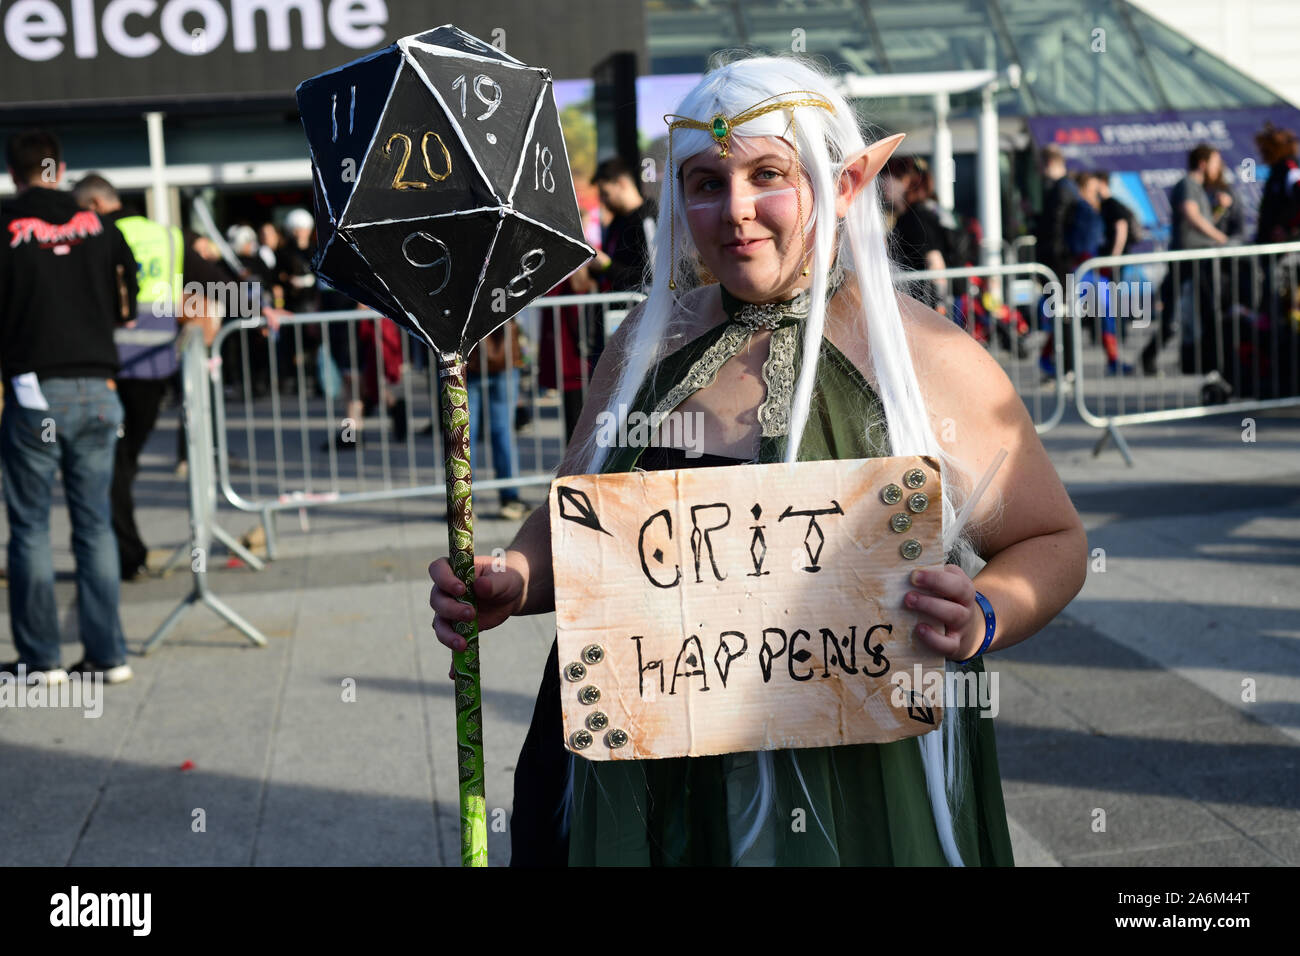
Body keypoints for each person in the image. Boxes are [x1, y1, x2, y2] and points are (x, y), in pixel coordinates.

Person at [428, 56, 1088, 866]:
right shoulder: (644, 344)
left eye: (768, 174)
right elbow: (580, 518)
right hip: (643, 767)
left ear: (842, 186)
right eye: (705, 182)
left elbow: (1053, 541)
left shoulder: (926, 355)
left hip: (852, 778)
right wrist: (519, 576)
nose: (735, 211)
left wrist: (983, 612)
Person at [0, 130, 138, 684]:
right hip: (100, 390)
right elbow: (127, 307)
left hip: (35, 391)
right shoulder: (101, 225)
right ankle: (110, 657)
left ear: (15, 175)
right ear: (62, 169)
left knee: (31, 529)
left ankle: (42, 661)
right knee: (95, 526)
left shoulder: (6, 225)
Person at [1140, 144, 1229, 377]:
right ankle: (1150, 356)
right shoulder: (1187, 185)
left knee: (1205, 310)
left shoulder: (1199, 188)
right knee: (1177, 313)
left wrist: (1219, 209)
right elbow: (1192, 216)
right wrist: (1219, 236)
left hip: (1198, 256)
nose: (1217, 168)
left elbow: (1204, 219)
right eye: (1214, 162)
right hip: (1188, 258)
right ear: (1203, 163)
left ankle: (1208, 362)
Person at [467, 321, 527, 520]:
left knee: (464, 437)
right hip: (504, 358)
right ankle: (510, 499)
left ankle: (464, 504)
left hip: (465, 358)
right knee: (502, 432)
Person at [1034, 145, 1081, 378]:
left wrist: (1046, 257)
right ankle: (1062, 366)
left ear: (1048, 163)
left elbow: (1055, 229)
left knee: (1063, 316)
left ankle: (1067, 368)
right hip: (1062, 262)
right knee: (1062, 315)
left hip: (1059, 264)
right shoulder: (1066, 187)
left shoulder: (1060, 190)